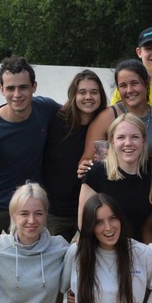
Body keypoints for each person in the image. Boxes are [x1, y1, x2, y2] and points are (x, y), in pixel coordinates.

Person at [0, 56, 59, 250]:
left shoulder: (45, 108)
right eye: (10, 88)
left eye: (23, 87)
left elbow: (76, 119)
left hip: (29, 204)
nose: (17, 94)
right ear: (1, 89)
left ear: (34, 87)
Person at [43, 69, 108, 242]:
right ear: (74, 94)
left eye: (94, 92)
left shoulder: (106, 126)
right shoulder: (56, 121)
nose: (88, 97)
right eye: (82, 92)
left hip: (90, 211)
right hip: (55, 212)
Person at [80, 113, 152, 243]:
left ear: (143, 140)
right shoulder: (96, 172)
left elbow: (147, 226)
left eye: (135, 137)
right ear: (112, 142)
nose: (128, 143)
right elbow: (84, 223)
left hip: (137, 248)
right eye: (121, 137)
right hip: (101, 247)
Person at [82, 60, 152, 160]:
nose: (129, 90)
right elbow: (86, 161)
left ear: (146, 83)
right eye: (123, 86)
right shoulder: (105, 118)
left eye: (134, 83)